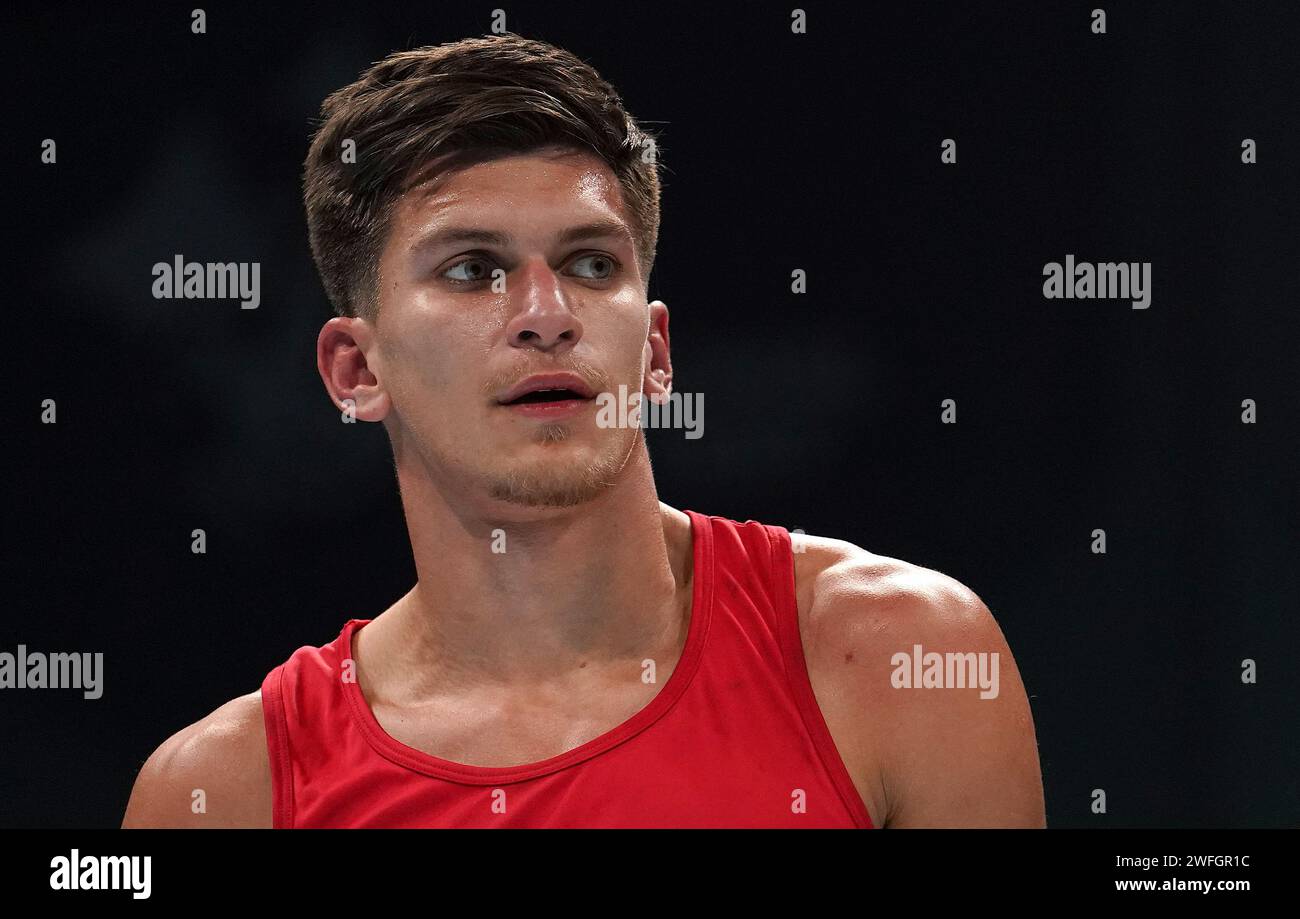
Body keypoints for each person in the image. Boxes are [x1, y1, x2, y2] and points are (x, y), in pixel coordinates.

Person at [123, 33, 1044, 828]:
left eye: (592, 264)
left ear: (655, 351)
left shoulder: (897, 659)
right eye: (473, 269)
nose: (546, 314)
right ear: (357, 372)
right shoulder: (224, 789)